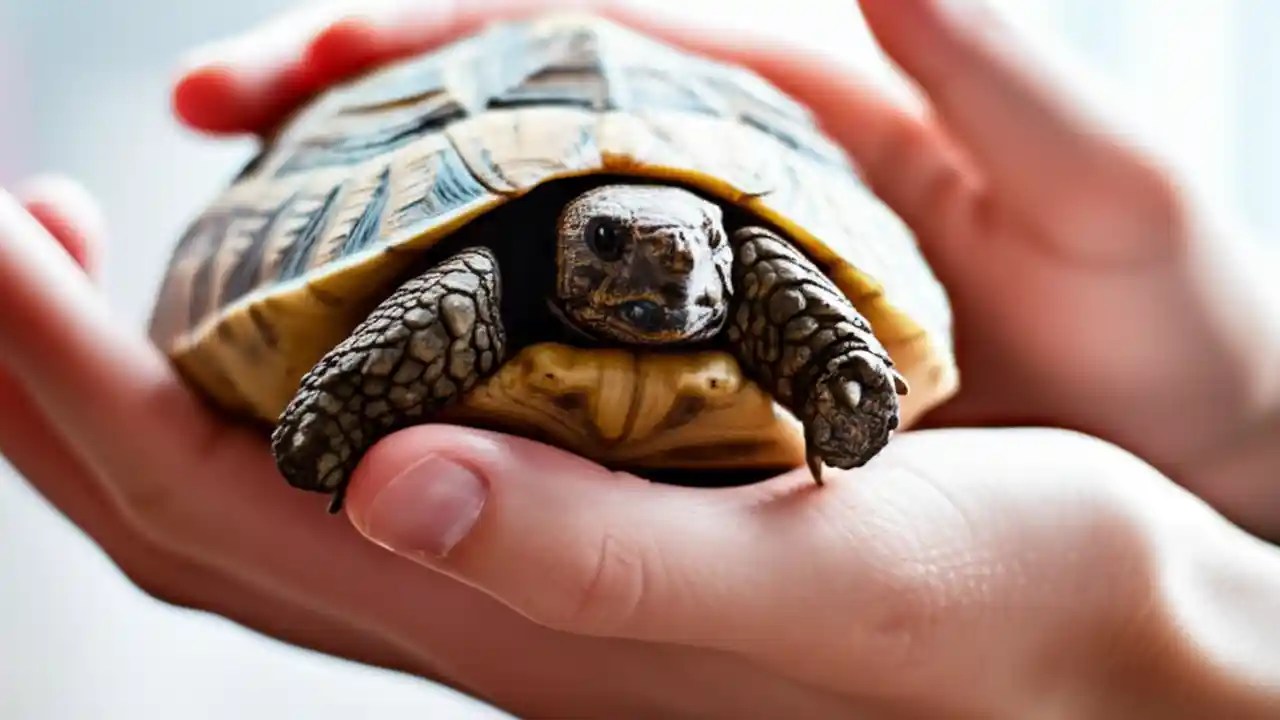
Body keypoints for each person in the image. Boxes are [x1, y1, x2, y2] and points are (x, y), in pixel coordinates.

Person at [3, 0, 1278, 717]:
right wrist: (1245, 456)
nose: (665, 271)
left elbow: (769, 284)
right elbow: (467, 289)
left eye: (694, 254)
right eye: (613, 247)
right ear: (566, 252)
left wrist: (1224, 493)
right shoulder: (484, 284)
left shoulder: (740, 268)